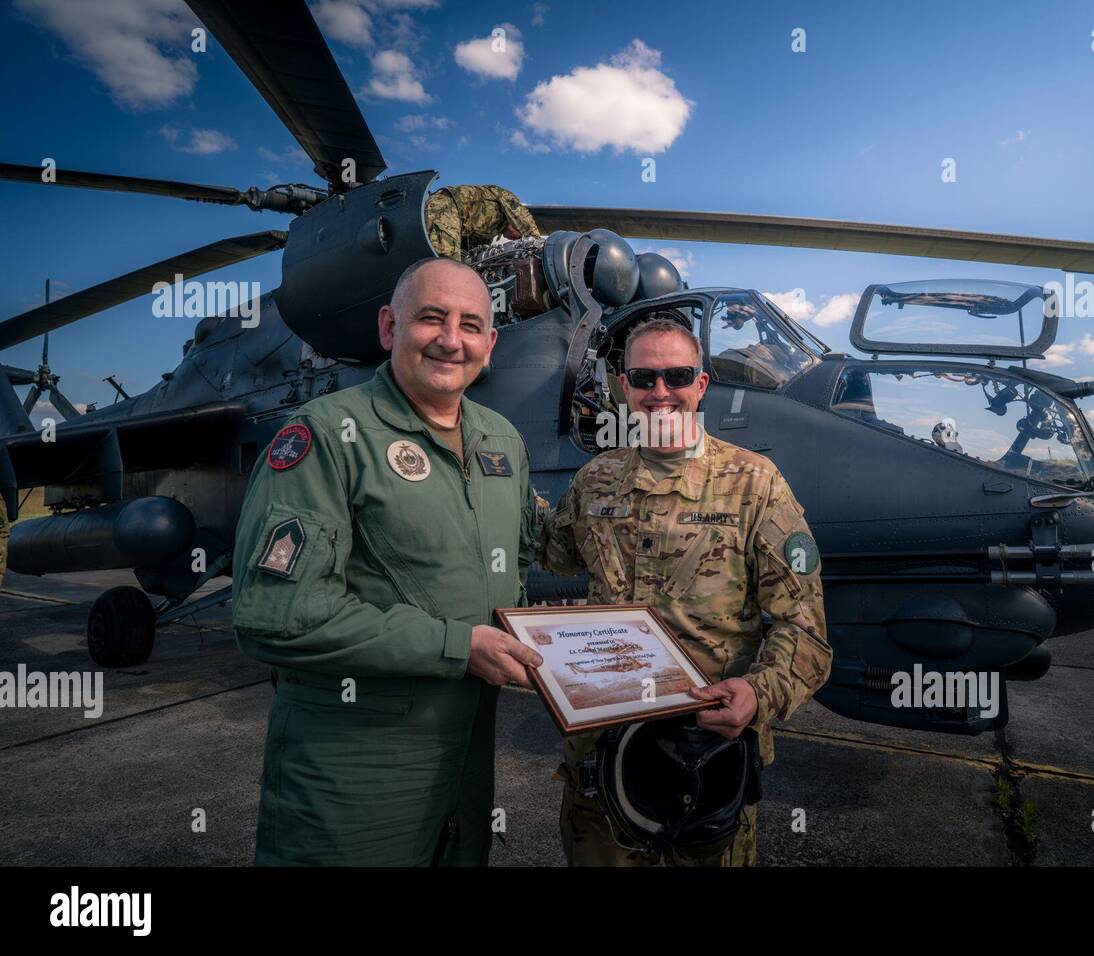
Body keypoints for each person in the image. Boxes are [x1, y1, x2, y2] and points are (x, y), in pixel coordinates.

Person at [231, 257, 542, 866]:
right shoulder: (325, 435)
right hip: (357, 769)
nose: (452, 340)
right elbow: (276, 615)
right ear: (387, 328)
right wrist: (459, 645)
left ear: (491, 342)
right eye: (431, 318)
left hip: (467, 765)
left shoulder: (501, 440)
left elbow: (517, 567)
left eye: (471, 325)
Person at [537, 317, 831, 866]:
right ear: (624, 385)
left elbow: (805, 629)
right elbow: (553, 553)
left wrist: (759, 694)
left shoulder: (755, 484)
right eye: (644, 377)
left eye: (677, 375)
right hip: (602, 763)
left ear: (700, 384)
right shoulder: (596, 479)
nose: (660, 392)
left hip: (706, 761)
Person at [423, 184, 541, 260]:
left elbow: (474, 254)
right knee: (449, 265)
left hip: (453, 218)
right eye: (518, 236)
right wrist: (540, 248)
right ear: (514, 222)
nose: (513, 239)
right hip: (447, 206)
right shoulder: (509, 199)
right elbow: (525, 220)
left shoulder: (489, 231)